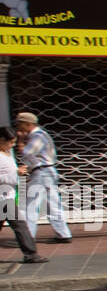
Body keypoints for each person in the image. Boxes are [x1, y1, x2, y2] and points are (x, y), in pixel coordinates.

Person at [15, 112, 71, 243]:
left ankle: (27, 237)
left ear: (28, 124)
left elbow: (27, 152)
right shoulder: (41, 135)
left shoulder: (37, 136)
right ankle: (63, 234)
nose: (18, 128)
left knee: (31, 205)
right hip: (47, 172)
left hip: (42, 172)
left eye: (20, 124)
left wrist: (21, 141)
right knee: (53, 204)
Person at [0, 127, 45, 264]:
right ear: (1, 140)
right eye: (11, 142)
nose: (13, 145)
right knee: (20, 225)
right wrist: (16, 174)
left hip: (7, 196)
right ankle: (31, 254)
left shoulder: (7, 153)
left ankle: (31, 254)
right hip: (3, 199)